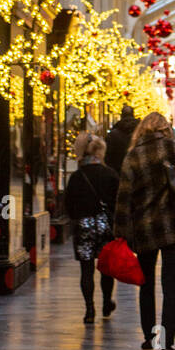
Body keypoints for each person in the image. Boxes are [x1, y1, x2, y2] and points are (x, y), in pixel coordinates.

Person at [114, 112, 175, 350]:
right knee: (172, 287)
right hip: (174, 226)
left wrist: (120, 232)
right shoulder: (174, 147)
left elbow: (124, 197)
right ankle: (168, 341)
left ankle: (149, 337)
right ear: (164, 127)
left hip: (144, 228)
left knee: (146, 285)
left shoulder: (133, 156)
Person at [64, 132, 119, 324]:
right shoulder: (110, 174)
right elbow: (117, 202)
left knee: (86, 269)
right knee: (106, 268)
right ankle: (106, 302)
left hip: (83, 225)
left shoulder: (77, 177)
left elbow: (68, 204)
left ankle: (89, 309)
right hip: (105, 226)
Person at [105, 102, 138, 175]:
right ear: (133, 115)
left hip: (118, 174)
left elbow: (107, 158)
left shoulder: (112, 135)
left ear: (121, 116)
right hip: (137, 174)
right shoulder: (141, 132)